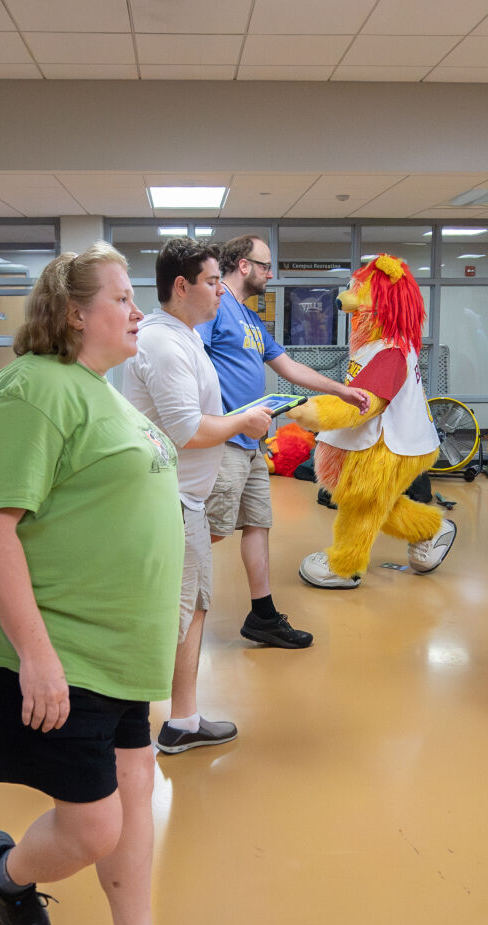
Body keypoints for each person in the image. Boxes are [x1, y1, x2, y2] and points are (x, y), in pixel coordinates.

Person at [0, 242, 227, 925]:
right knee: (97, 823)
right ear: (75, 313)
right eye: (121, 299)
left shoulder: (101, 391)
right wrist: (37, 657)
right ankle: (7, 871)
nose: (137, 312)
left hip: (114, 652)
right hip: (56, 648)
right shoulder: (34, 389)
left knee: (134, 793)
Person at [119, 237, 273, 754]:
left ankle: (181, 719)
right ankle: (154, 727)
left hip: (183, 499)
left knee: (194, 605)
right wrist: (243, 422)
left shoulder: (183, 336)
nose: (219, 292)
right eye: (211, 282)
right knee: (181, 609)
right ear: (181, 286)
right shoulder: (162, 342)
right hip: (169, 500)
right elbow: (186, 428)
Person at [200, 233, 371, 648]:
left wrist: (340, 390)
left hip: (252, 443)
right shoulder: (215, 305)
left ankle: (263, 616)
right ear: (242, 265)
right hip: (223, 441)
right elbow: (193, 360)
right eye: (264, 265)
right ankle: (164, 603)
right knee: (207, 533)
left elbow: (289, 366)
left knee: (258, 524)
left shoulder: (253, 320)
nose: (270, 273)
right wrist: (215, 420)